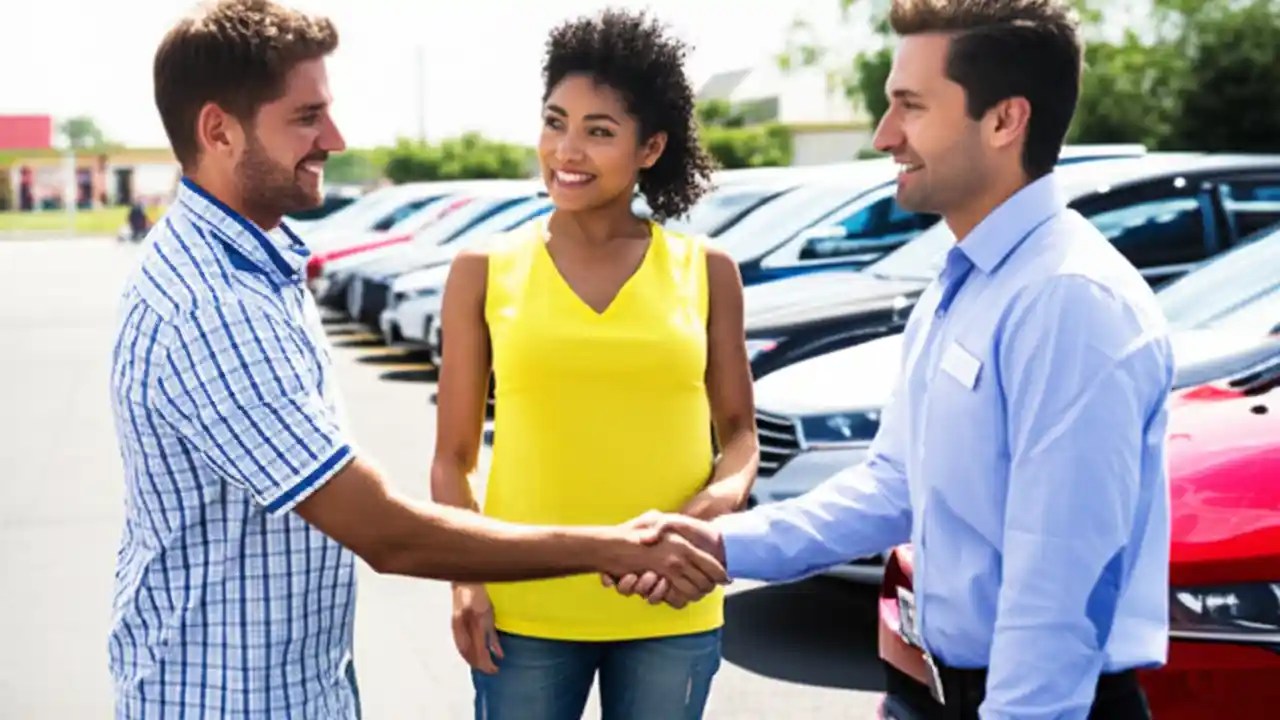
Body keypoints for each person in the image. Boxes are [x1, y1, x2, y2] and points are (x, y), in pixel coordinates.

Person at [107, 2, 726, 717]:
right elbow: (383, 530)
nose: (334, 139)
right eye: (307, 117)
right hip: (227, 699)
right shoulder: (211, 306)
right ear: (218, 130)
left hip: (285, 687)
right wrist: (616, 549)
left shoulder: (256, 269)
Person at [615, 1, 1175, 718]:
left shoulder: (1069, 302)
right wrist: (718, 545)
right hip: (940, 692)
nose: (884, 137)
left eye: (909, 107)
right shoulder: (967, 278)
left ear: (1006, 120)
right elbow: (894, 486)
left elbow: (1058, 597)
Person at [431, 8, 759, 720]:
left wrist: (707, 513)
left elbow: (740, 436)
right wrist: (467, 579)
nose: (566, 150)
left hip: (671, 602)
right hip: (526, 606)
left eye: (599, 131)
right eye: (556, 122)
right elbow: (452, 458)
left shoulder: (708, 272)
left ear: (651, 148)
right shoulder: (482, 270)